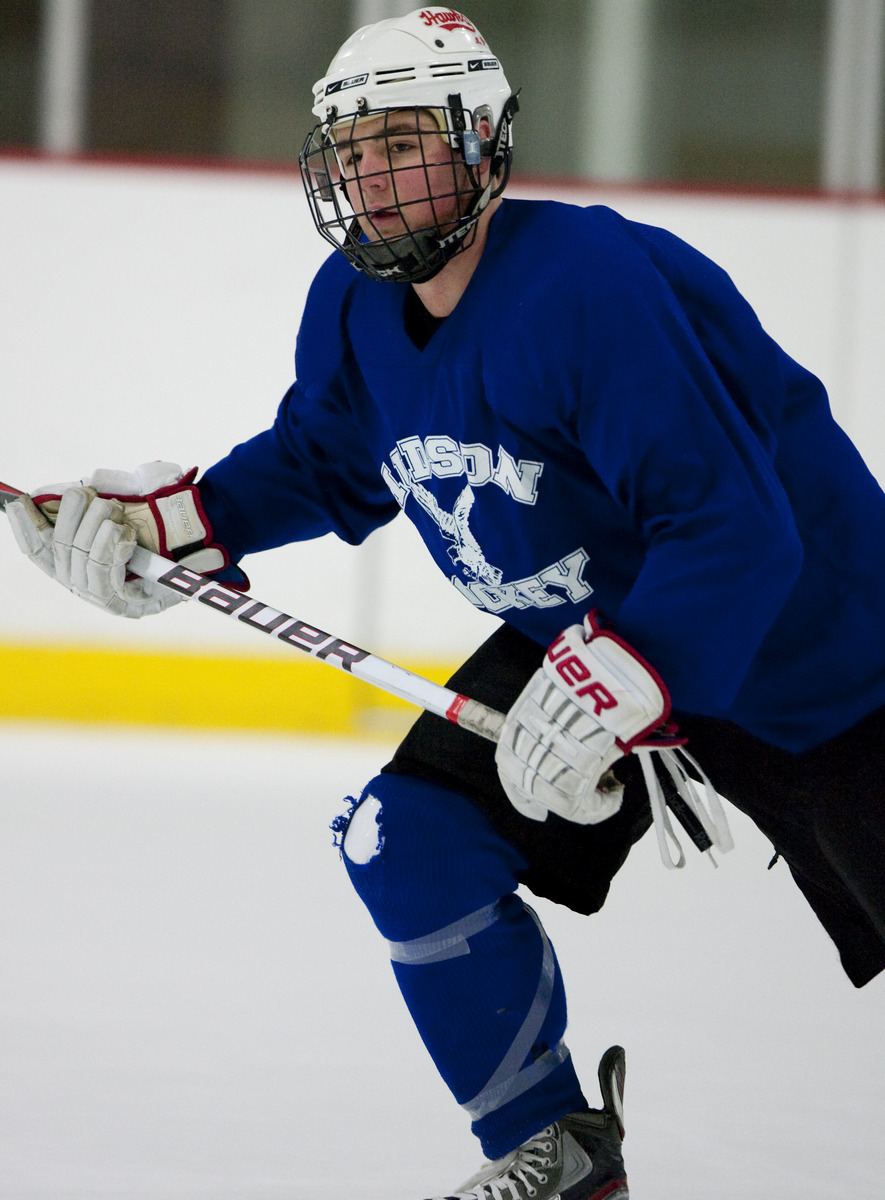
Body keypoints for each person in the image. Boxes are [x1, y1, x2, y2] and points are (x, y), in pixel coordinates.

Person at [8, 8, 885, 1198]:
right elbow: (326, 458)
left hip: (818, 653)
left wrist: (634, 675)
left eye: (406, 141)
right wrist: (183, 525)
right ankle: (556, 1156)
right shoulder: (355, 305)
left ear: (483, 144)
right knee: (406, 839)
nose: (372, 176)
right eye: (352, 150)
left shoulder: (590, 288)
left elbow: (736, 531)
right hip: (594, 639)